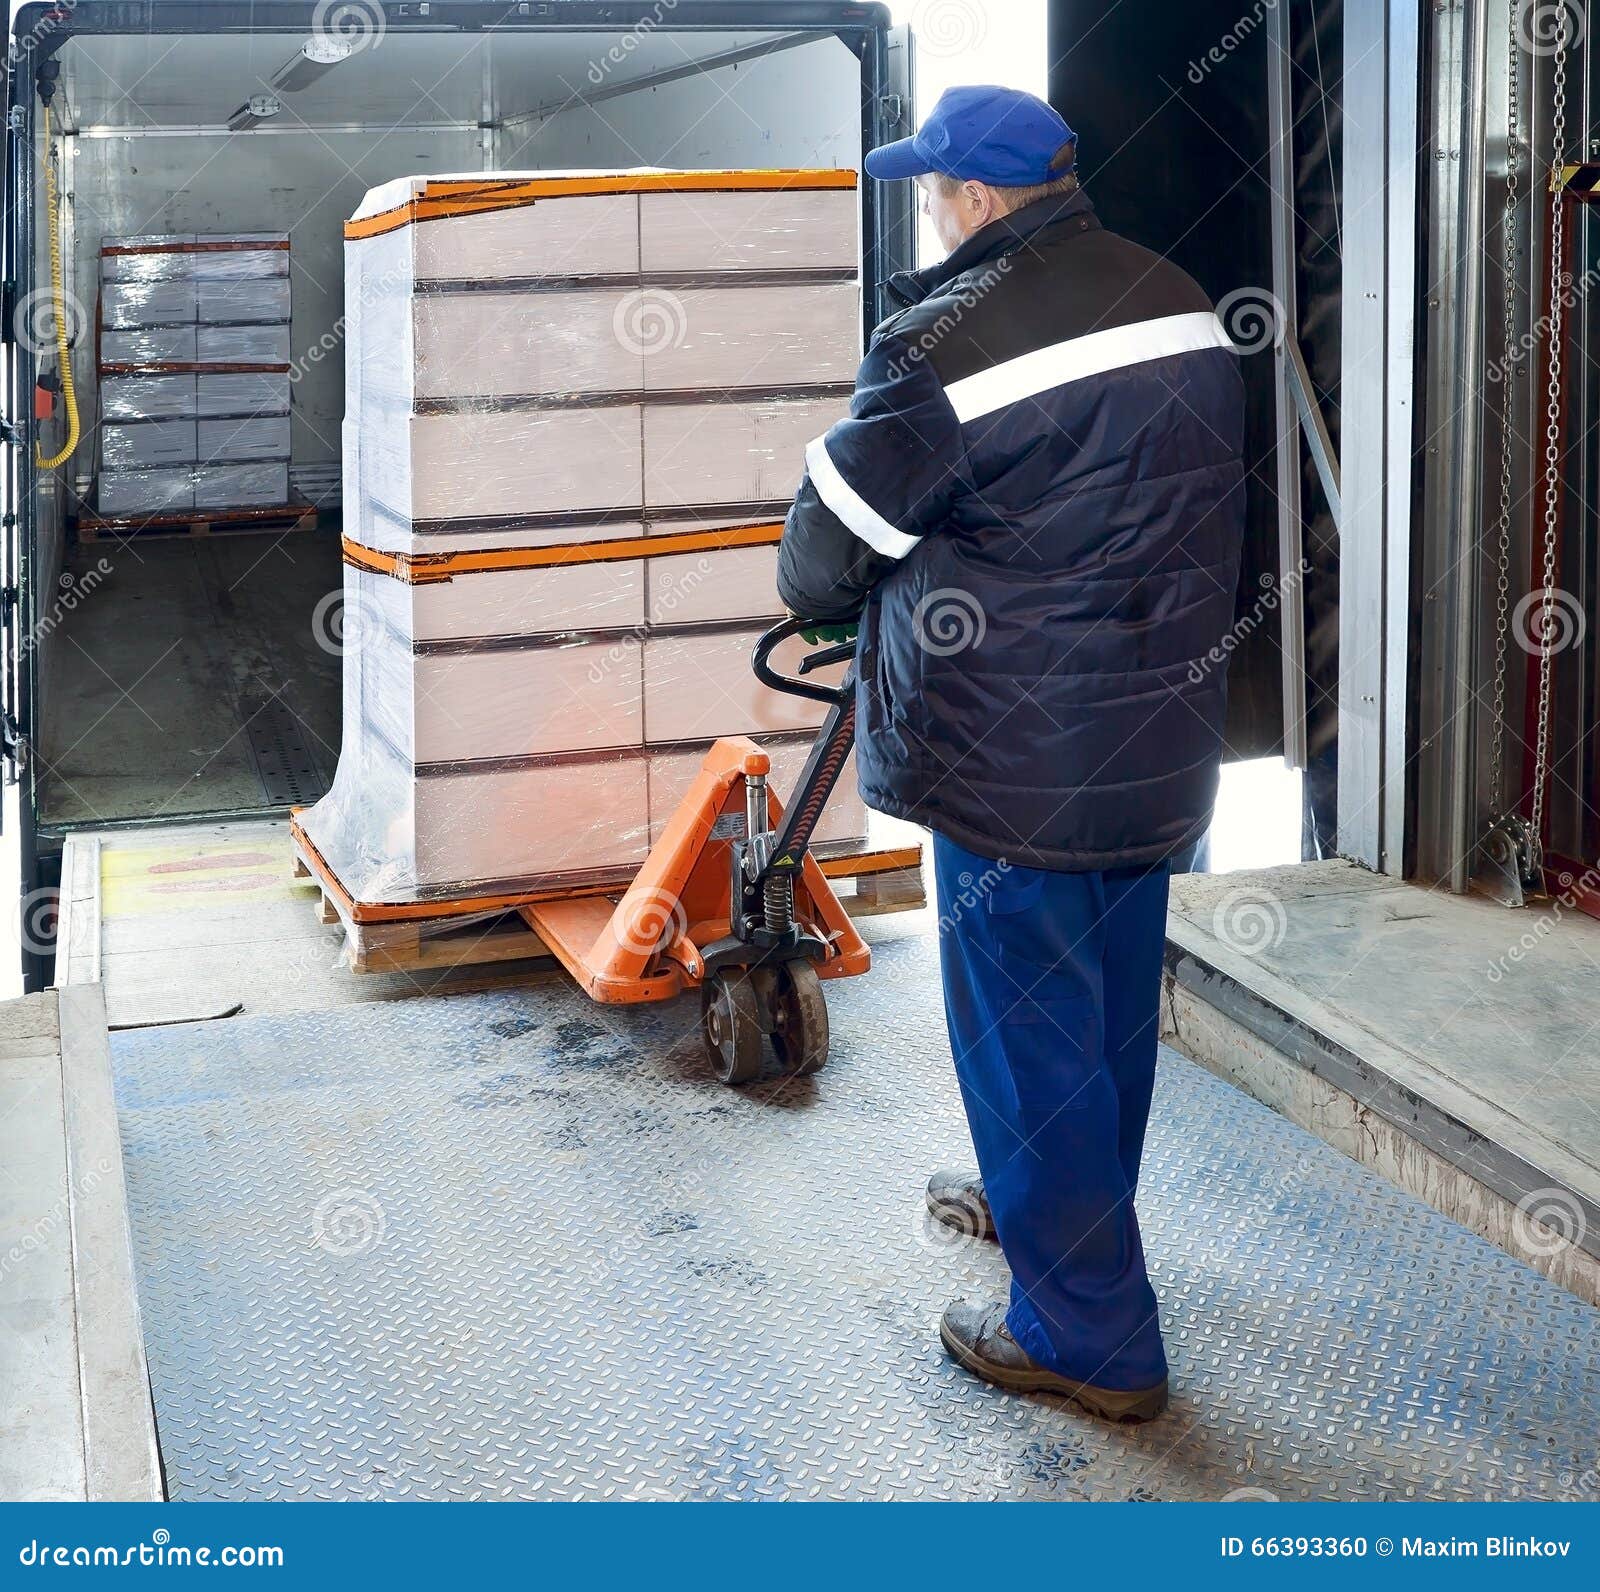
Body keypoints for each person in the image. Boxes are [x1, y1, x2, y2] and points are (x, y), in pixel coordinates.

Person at [776, 85, 1246, 1422]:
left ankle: (1087, 1332)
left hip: (1016, 762)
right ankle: (1057, 1204)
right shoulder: (1178, 294)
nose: (927, 204)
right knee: (1100, 1017)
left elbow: (824, 551)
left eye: (932, 185)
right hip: (1158, 737)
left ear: (973, 196)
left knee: (1027, 1032)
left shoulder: (944, 344)